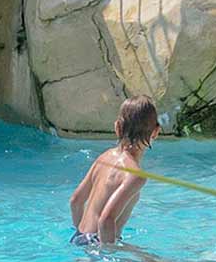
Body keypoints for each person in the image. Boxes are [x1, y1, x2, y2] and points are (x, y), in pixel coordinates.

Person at [67, 95, 161, 245]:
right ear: (155, 132)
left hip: (79, 237)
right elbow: (106, 220)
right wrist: (109, 259)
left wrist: (81, 236)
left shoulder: (104, 158)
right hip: (98, 244)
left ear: (117, 127)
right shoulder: (135, 175)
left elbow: (75, 201)